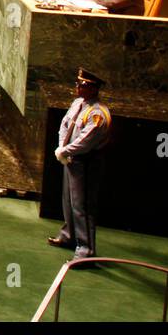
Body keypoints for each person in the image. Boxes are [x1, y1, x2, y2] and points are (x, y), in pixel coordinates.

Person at [48, 69, 112, 261]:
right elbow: (65, 125)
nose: (77, 87)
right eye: (78, 83)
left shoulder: (98, 114)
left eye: (82, 85)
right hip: (70, 158)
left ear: (93, 89)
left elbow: (86, 142)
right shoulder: (78, 104)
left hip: (86, 162)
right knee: (68, 201)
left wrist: (66, 151)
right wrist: (62, 148)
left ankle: (86, 250)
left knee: (82, 205)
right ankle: (69, 236)